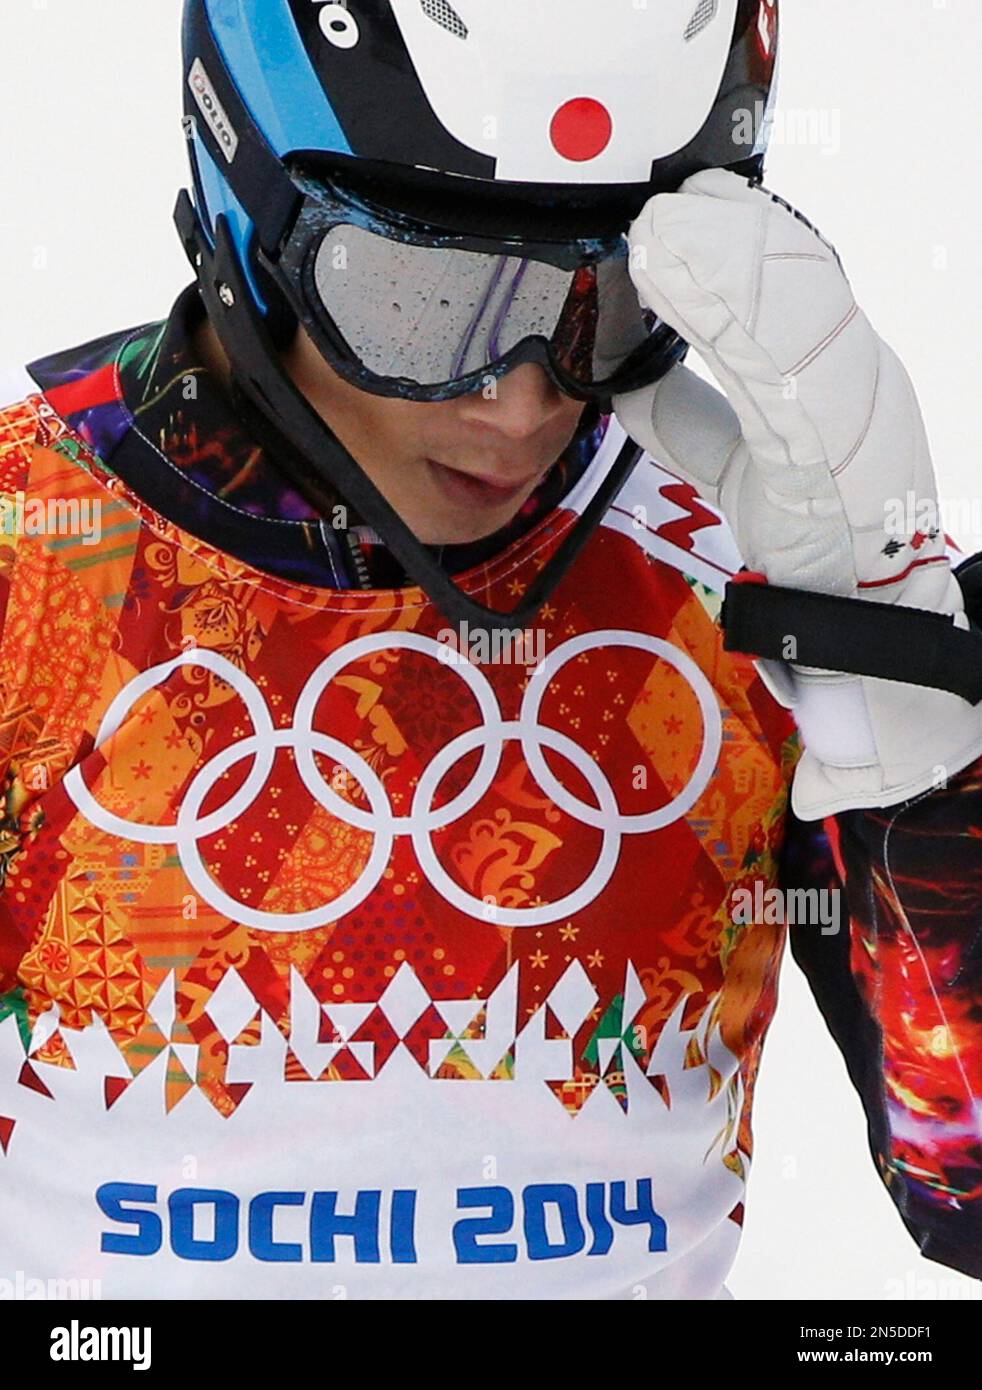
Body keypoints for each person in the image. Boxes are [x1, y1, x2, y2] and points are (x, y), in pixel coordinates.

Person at [0, 0, 978, 1298]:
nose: (521, 406)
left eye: (608, 292)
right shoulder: (31, 557)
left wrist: (908, 689)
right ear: (253, 217)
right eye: (420, 297)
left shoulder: (758, 566)